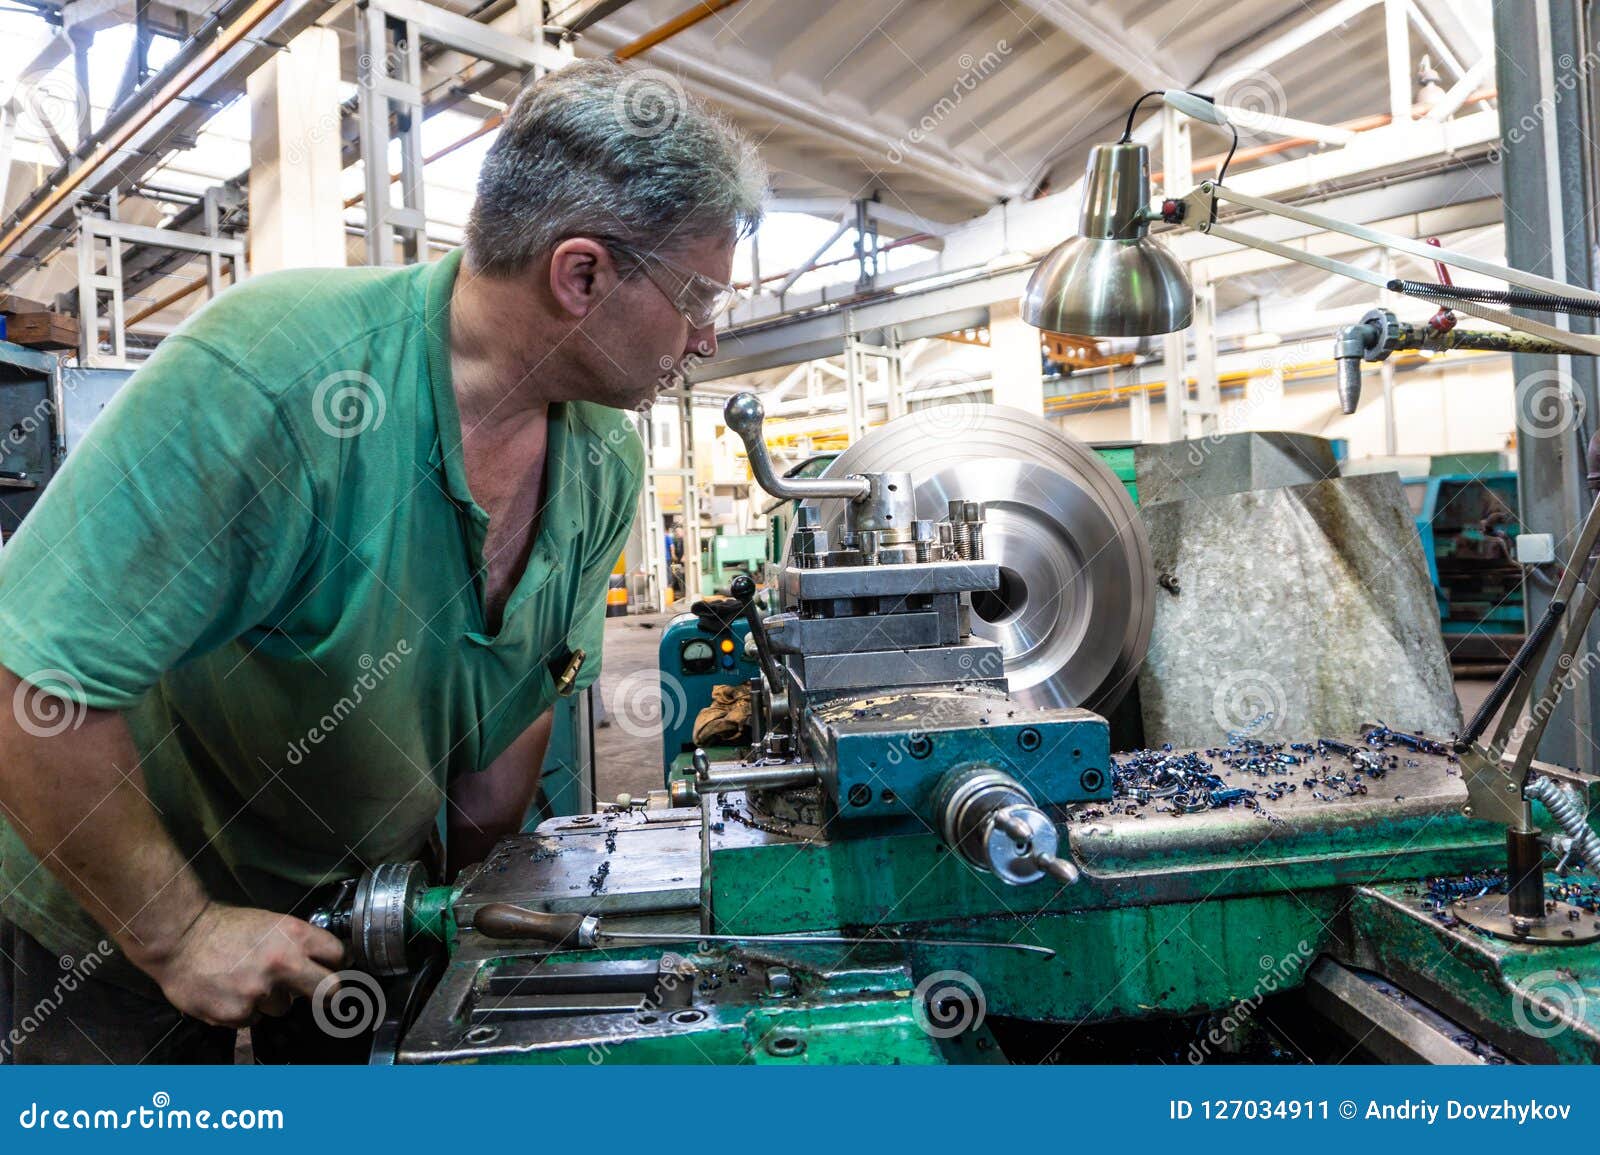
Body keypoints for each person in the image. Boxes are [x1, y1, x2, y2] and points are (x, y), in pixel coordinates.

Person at [0, 59, 763, 1063]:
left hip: (346, 918)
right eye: (696, 297)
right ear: (581, 274)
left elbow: (519, 701)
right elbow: (32, 680)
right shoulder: (278, 374)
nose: (707, 337)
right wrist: (178, 933)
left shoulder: (601, 456)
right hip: (107, 914)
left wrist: (477, 915)